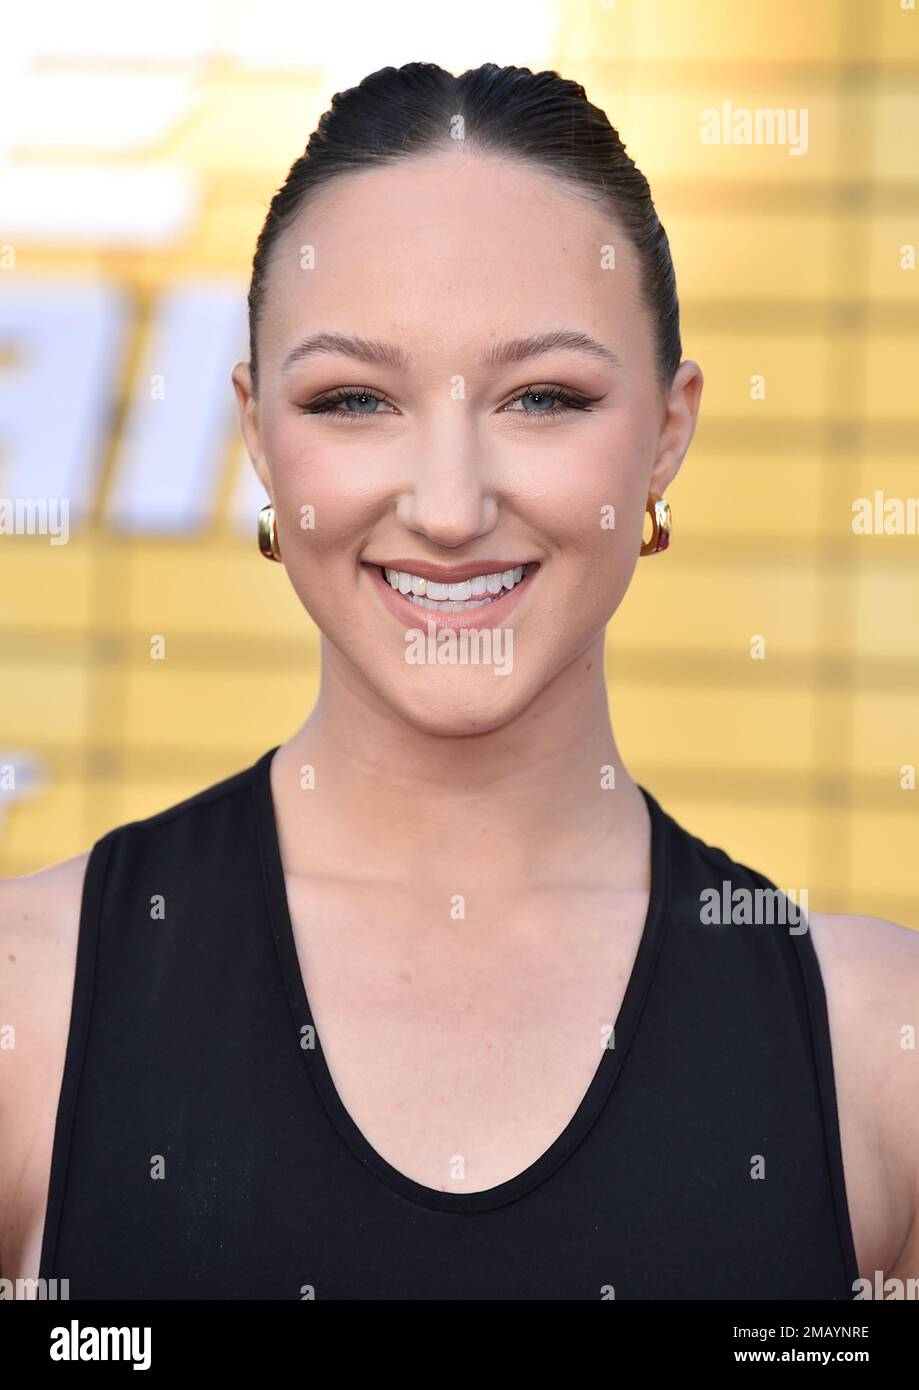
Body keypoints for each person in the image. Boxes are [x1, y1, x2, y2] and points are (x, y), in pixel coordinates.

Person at [1, 62, 916, 1301]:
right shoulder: (31, 1000)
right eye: (354, 398)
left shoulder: (876, 1047)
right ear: (259, 435)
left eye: (543, 396)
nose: (446, 505)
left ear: (667, 430)